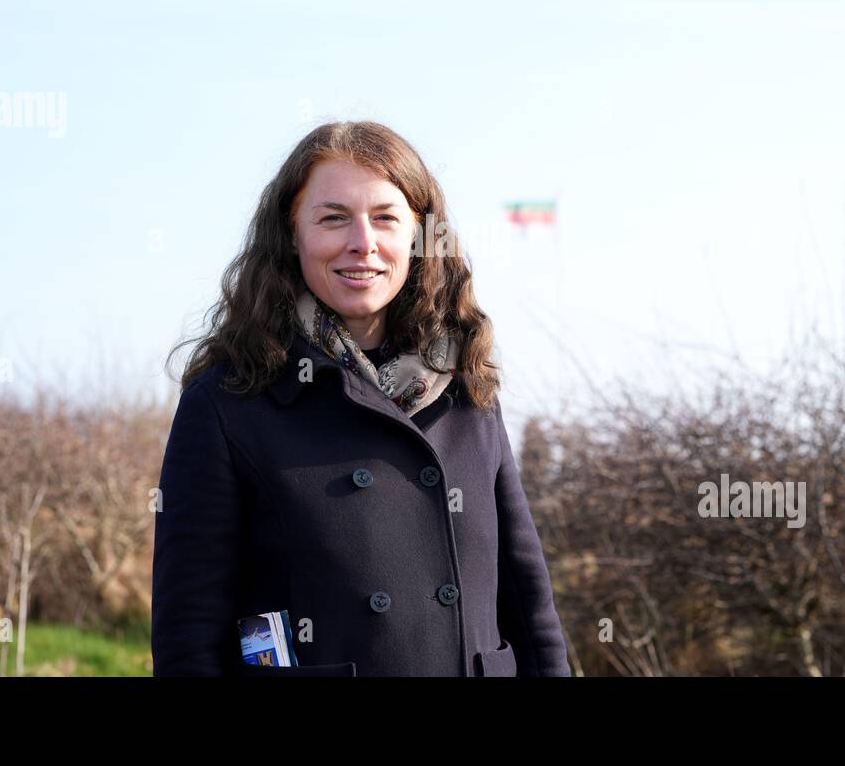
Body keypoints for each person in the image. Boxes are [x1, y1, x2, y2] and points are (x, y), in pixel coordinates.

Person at [151, 120, 571, 677]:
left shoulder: (465, 382)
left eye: (385, 218)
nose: (363, 243)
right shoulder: (228, 402)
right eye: (333, 218)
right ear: (291, 234)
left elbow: (529, 607)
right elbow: (188, 641)